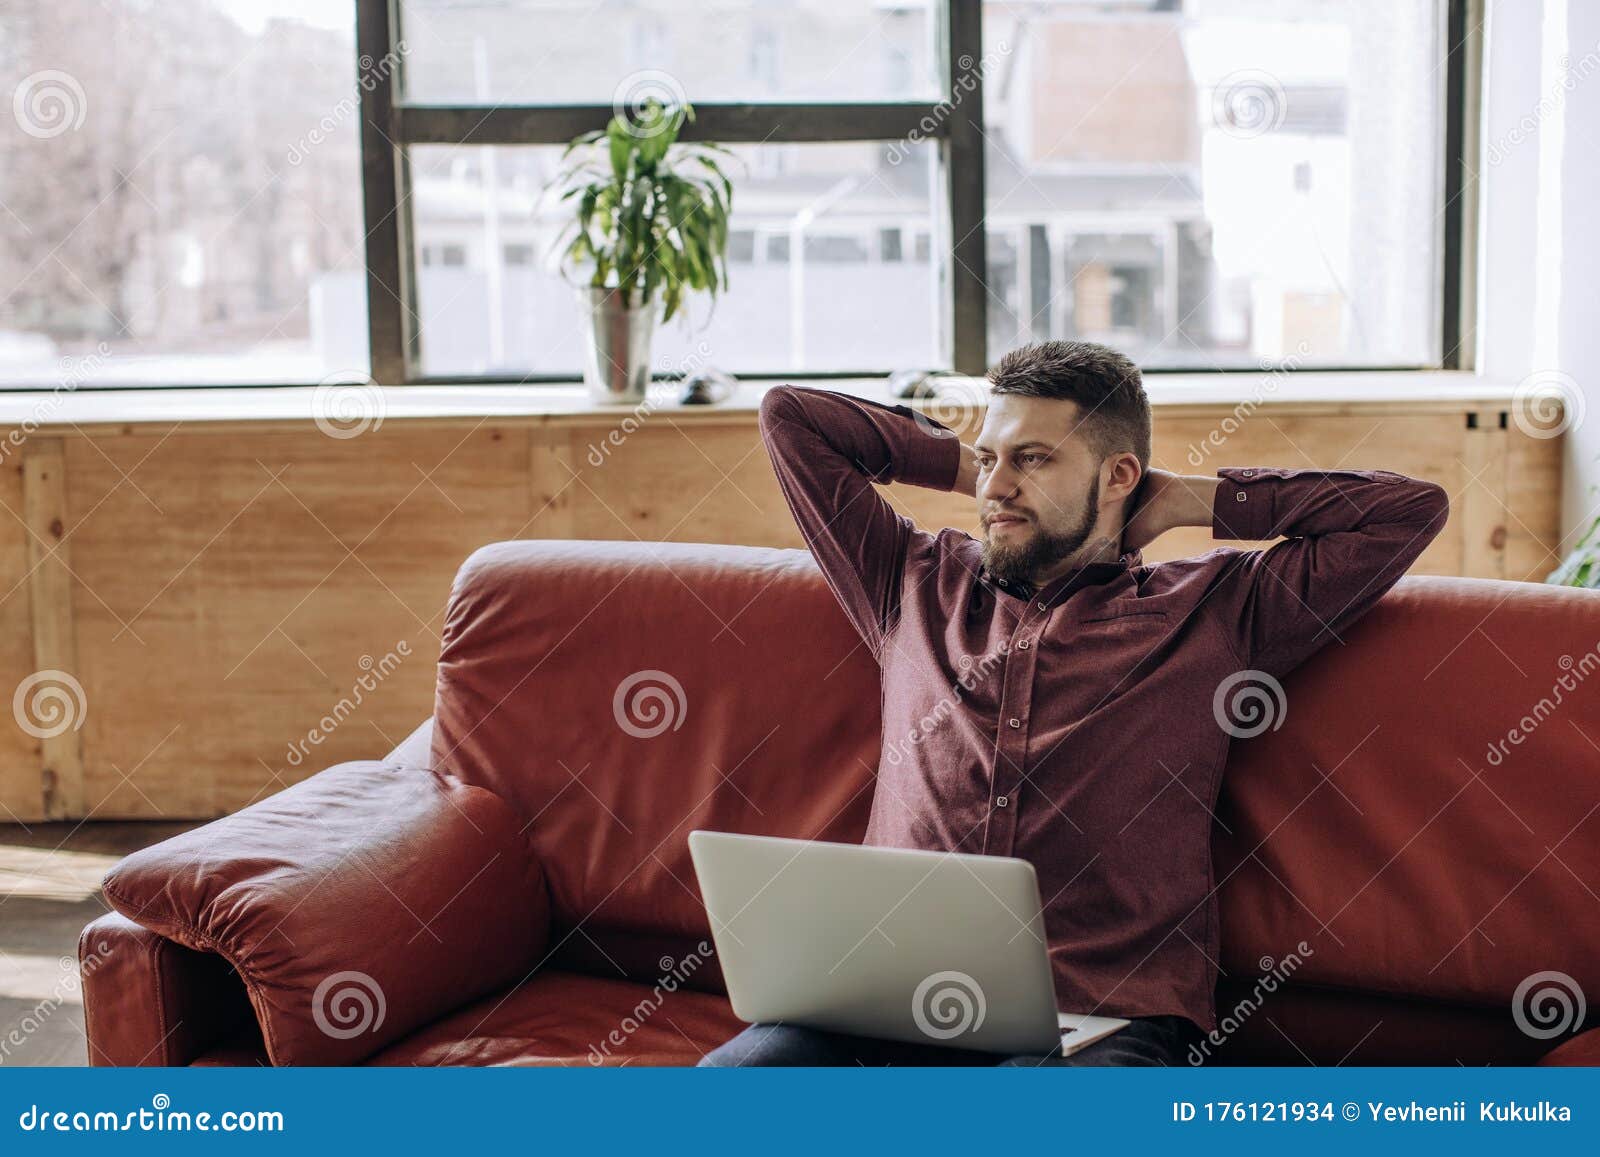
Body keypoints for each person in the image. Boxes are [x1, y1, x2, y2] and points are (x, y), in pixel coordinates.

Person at [699, 340, 1448, 1067]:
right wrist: (981, 469)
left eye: (1034, 458)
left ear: (1121, 473)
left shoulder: (1218, 610)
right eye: (994, 457)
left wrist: (1194, 499)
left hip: (1097, 1018)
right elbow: (790, 416)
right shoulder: (909, 581)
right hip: (883, 996)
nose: (997, 487)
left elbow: (1407, 511)